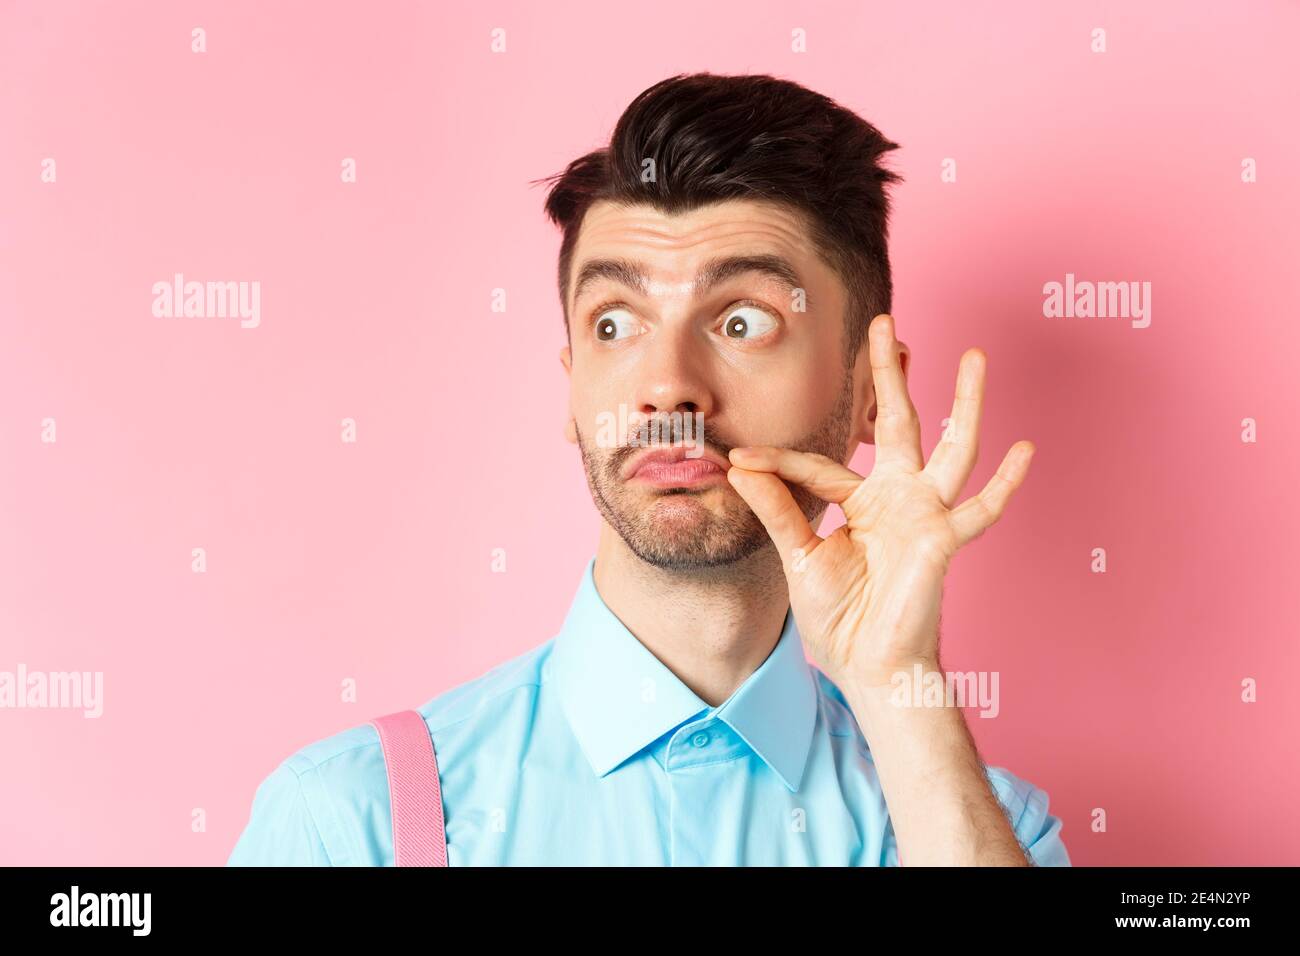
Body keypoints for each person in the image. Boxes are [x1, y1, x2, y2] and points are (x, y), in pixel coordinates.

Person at [228, 72, 1069, 866]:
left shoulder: (981, 825)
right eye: (615, 324)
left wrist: (898, 681)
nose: (667, 385)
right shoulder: (351, 821)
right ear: (572, 390)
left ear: (870, 400)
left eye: (743, 321)